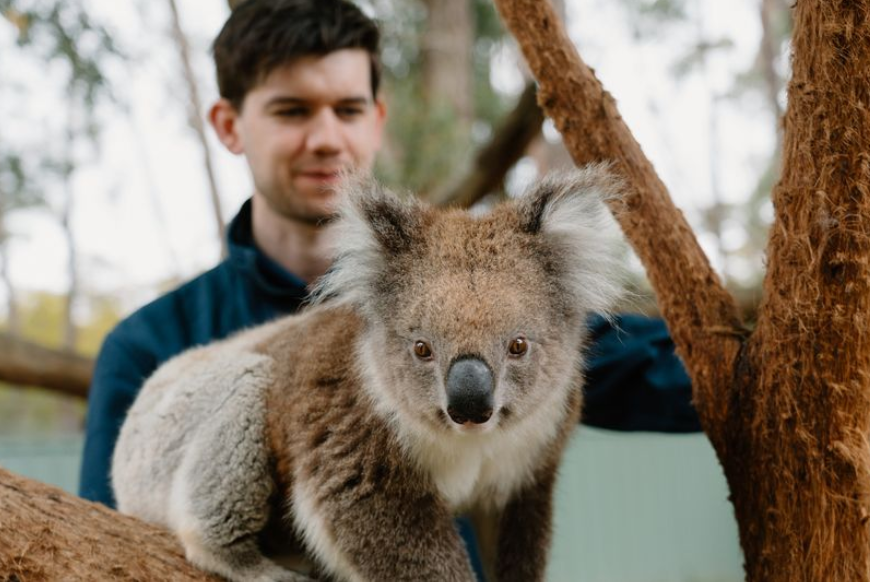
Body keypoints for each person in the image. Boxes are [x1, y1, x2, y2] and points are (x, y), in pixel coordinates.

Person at [79, 0, 698, 577]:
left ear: (377, 119)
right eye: (291, 110)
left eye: (347, 108)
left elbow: (654, 369)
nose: (325, 139)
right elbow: (88, 544)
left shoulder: (506, 293)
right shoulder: (147, 344)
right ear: (229, 124)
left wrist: (777, 365)